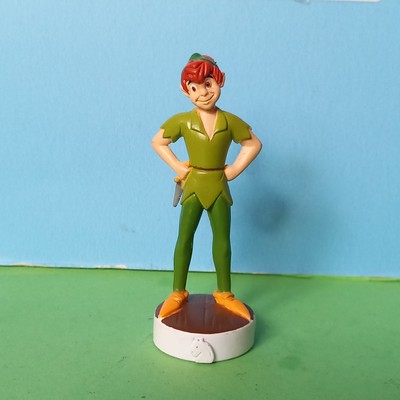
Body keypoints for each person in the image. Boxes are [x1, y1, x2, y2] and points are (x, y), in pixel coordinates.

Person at [152, 53, 262, 320]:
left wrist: (233, 170)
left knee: (222, 240)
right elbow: (158, 142)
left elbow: (253, 143)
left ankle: (225, 292)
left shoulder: (230, 121)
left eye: (208, 84)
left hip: (219, 187)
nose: (203, 93)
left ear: (220, 81)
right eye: (194, 88)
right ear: (185, 91)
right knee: (184, 238)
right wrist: (178, 167)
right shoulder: (183, 121)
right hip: (193, 187)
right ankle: (178, 291)